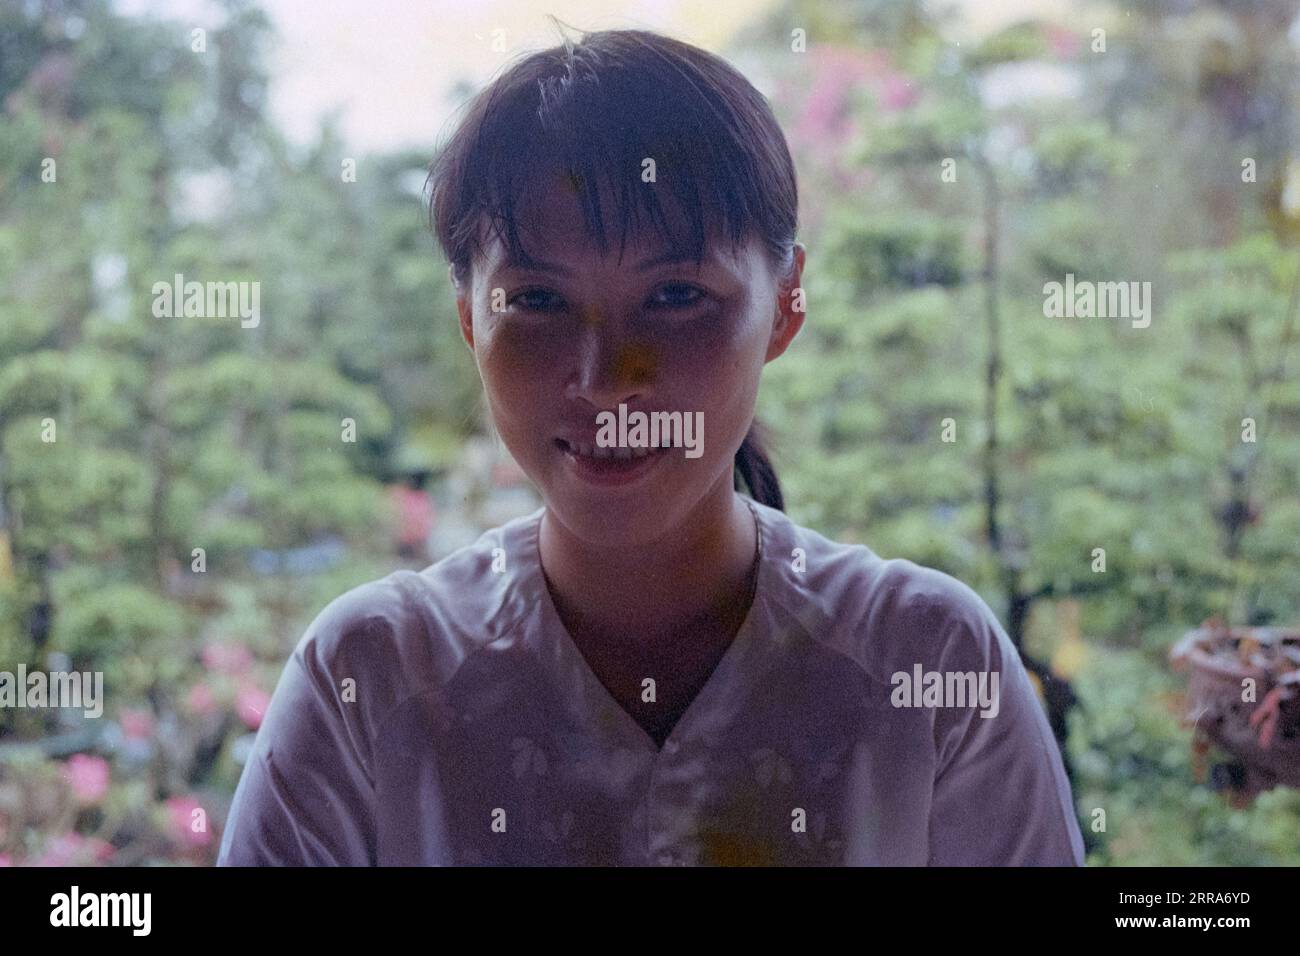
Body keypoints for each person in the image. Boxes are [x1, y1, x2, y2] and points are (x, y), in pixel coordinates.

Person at [218, 26, 1085, 866]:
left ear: (785, 306)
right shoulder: (368, 682)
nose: (604, 380)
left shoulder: (929, 668)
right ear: (467, 320)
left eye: (675, 295)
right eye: (537, 303)